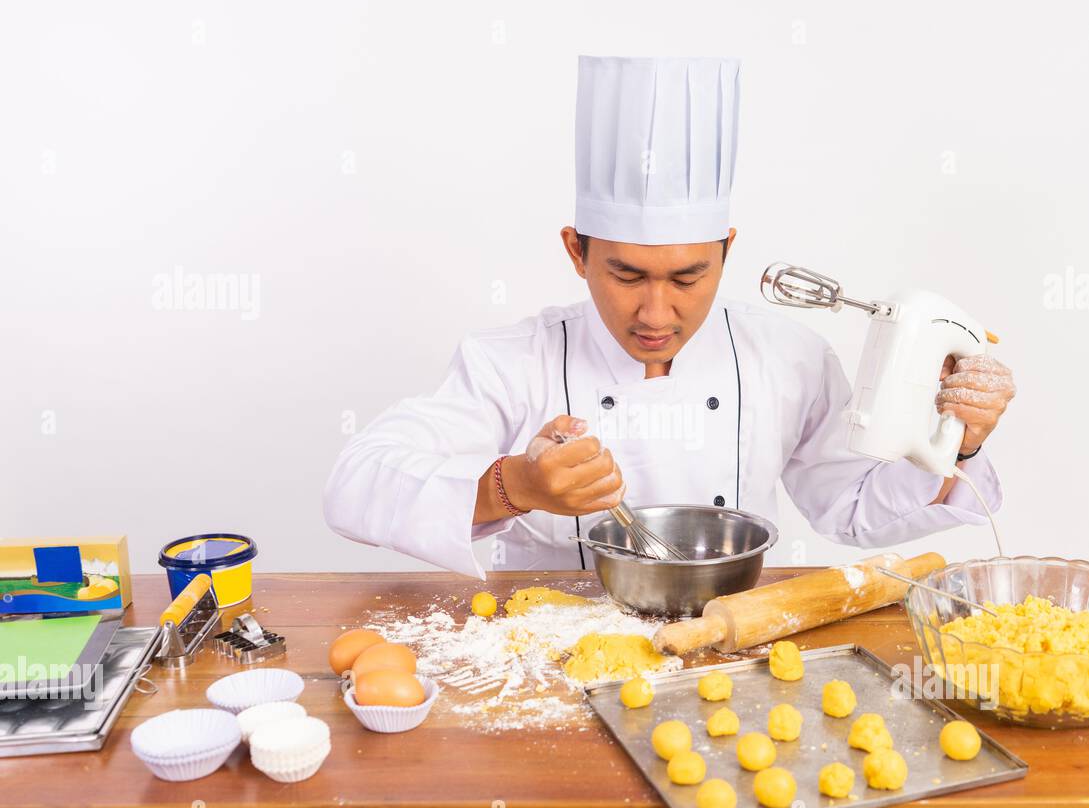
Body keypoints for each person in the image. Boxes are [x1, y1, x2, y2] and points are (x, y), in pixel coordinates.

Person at [324, 56, 1015, 579]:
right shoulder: (509, 361)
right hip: (547, 659)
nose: (657, 312)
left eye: (690, 276)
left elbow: (855, 509)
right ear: (576, 251)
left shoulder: (789, 356)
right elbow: (356, 486)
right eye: (626, 274)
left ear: (727, 253)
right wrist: (516, 486)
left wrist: (959, 437)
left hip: (731, 651)